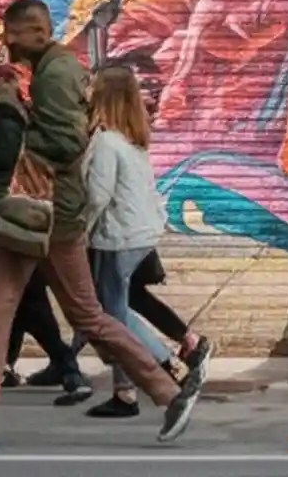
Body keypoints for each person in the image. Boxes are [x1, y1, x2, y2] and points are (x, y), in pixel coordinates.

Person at [0, 0, 202, 455]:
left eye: (12, 32)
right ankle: (168, 394)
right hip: (54, 218)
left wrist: (7, 94)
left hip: (35, 215)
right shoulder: (59, 71)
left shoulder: (55, 73)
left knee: (1, 316)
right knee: (87, 316)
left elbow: (62, 141)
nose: (5, 41)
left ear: (35, 31)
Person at [69, 66, 215, 418]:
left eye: (92, 88)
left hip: (116, 237)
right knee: (114, 312)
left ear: (104, 96)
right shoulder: (132, 140)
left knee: (112, 319)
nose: (86, 94)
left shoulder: (105, 141)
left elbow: (99, 195)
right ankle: (126, 390)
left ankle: (165, 367)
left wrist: (80, 228)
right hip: (139, 234)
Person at [0, 56, 89, 404]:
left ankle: (62, 364)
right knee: (23, 295)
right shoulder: (35, 115)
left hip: (9, 216)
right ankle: (4, 366)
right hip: (38, 213)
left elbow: (0, 161)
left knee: (9, 297)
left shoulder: (6, 114)